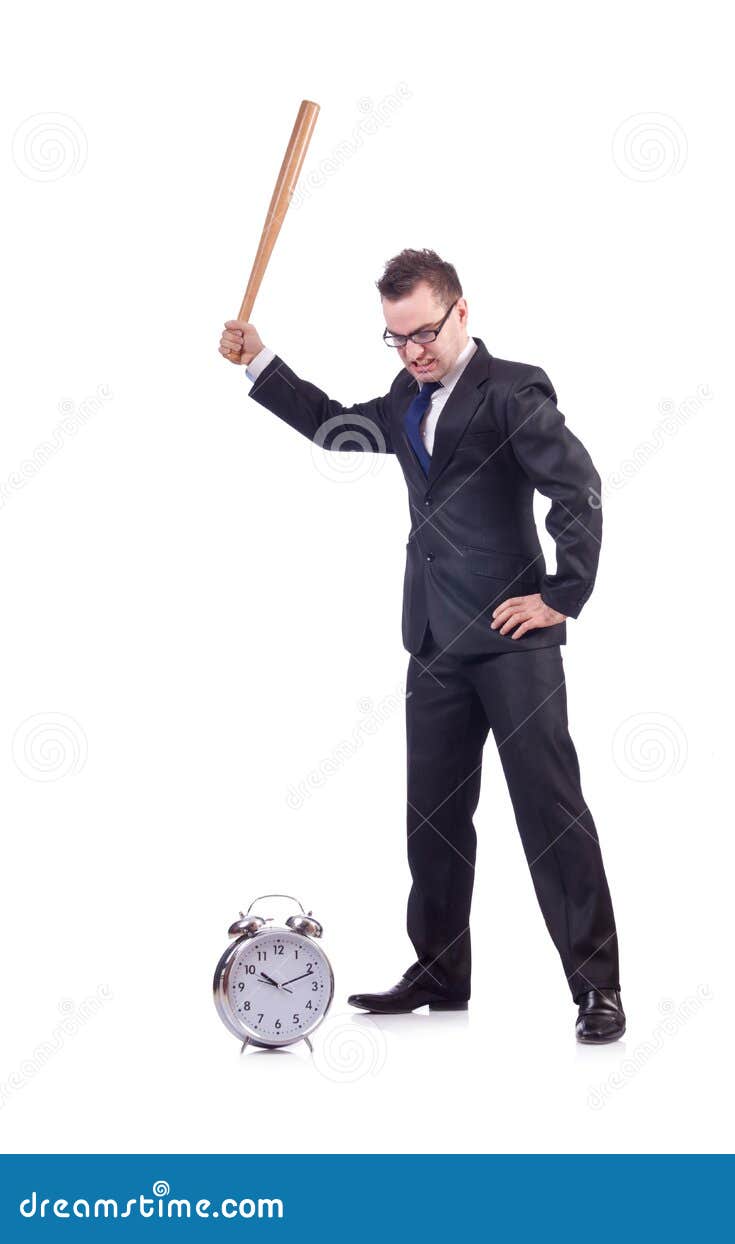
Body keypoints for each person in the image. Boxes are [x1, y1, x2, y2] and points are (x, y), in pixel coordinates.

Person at [217, 248, 625, 1043]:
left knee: (551, 815)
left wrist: (559, 595)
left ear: (462, 311)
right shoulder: (408, 396)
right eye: (397, 338)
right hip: (434, 638)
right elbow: (336, 428)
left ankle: (596, 989)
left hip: (514, 642)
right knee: (434, 818)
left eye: (425, 333)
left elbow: (578, 488)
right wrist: (260, 360)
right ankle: (440, 970)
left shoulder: (514, 389)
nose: (413, 351)